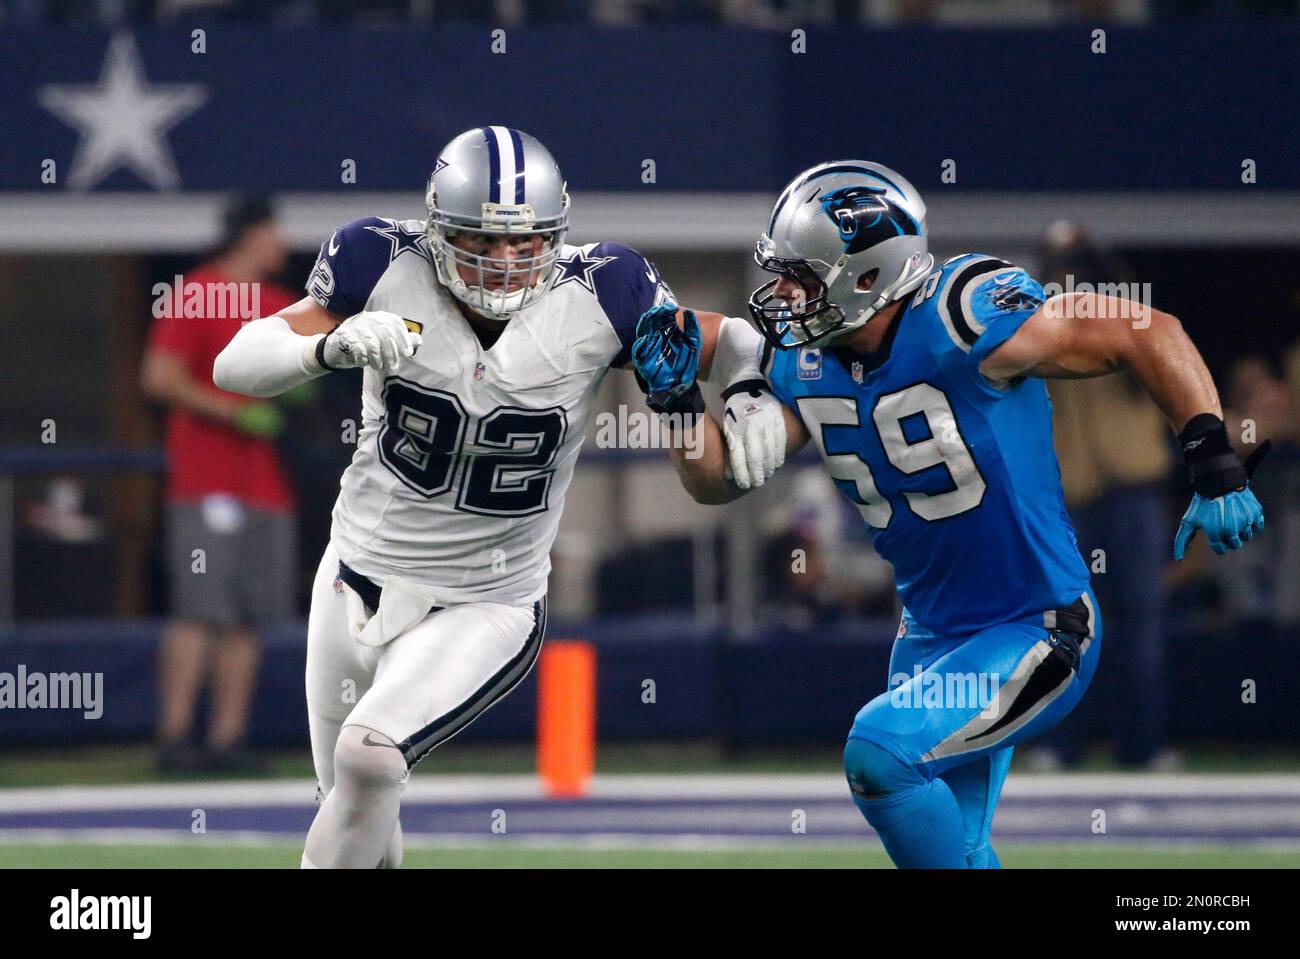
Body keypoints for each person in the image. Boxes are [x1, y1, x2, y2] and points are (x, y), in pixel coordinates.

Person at [635, 160, 1267, 868]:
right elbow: (720, 479)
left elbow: (1147, 329)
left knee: (879, 755)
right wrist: (676, 402)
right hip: (930, 636)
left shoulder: (963, 317)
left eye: (801, 275)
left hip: (1034, 625)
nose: (781, 294)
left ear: (868, 277)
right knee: (956, 852)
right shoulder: (805, 360)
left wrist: (1215, 468)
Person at [211, 127, 785, 868]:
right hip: (354, 576)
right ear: (438, 226)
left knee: (371, 757)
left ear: (559, 232)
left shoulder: (608, 289)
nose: (507, 260)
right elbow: (234, 363)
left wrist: (745, 388)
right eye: (483, 239)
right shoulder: (379, 259)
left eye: (527, 242)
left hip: (485, 598)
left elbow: (739, 341)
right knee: (358, 813)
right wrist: (327, 347)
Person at [141, 194, 298, 773]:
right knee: (199, 610)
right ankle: (175, 738)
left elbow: (306, 373)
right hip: (207, 481)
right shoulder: (199, 292)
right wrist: (230, 411)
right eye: (274, 232)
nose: (282, 244)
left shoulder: (283, 304)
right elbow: (159, 377)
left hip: (265, 484)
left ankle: (227, 741)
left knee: (248, 618)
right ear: (251, 235)